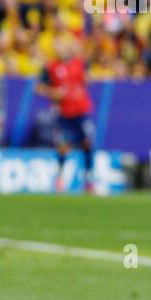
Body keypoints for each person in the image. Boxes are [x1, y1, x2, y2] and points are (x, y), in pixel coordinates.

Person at [36, 33, 95, 191]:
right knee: (63, 146)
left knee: (87, 143)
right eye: (58, 47)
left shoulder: (78, 64)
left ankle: (89, 180)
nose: (61, 49)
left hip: (81, 111)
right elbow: (39, 88)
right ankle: (60, 179)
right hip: (64, 113)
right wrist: (53, 93)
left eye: (64, 46)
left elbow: (86, 78)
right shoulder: (51, 67)